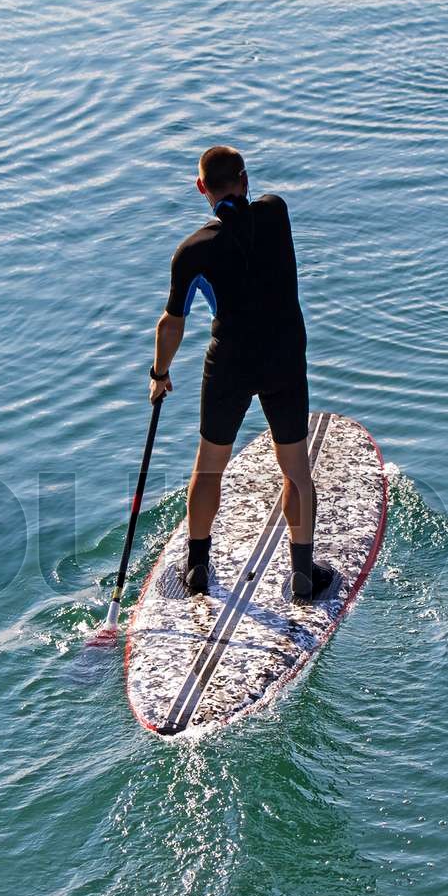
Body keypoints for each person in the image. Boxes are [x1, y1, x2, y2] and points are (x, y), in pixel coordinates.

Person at [148, 145, 335, 601]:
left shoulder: (192, 252)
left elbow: (172, 322)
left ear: (201, 188)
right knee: (295, 472)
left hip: (229, 363)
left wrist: (160, 372)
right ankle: (302, 575)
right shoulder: (276, 213)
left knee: (209, 467)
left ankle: (196, 568)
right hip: (284, 359)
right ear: (245, 180)